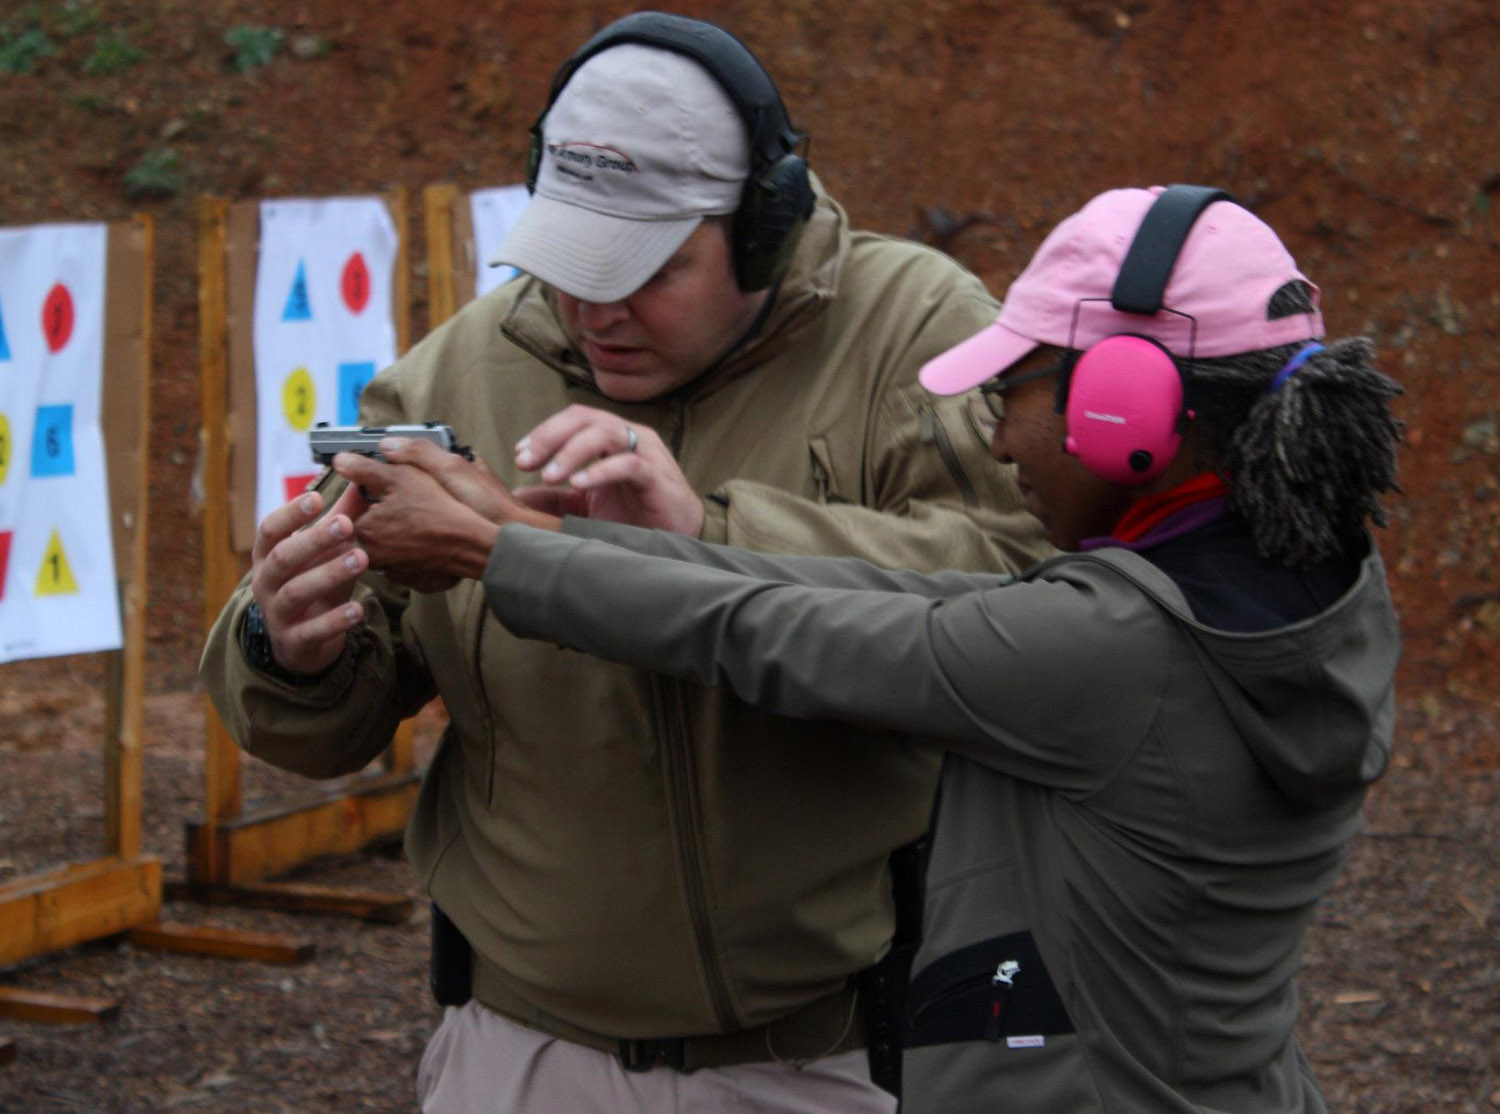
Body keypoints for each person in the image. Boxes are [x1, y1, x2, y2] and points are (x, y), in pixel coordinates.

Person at [327, 184, 1404, 1114]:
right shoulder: (1309, 589)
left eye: (1012, 393)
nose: (994, 437)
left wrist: (491, 550)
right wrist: (539, 534)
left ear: (1130, 407)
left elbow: (780, 633)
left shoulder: (1114, 648)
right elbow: (890, 600)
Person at [200, 11, 1048, 1113]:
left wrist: (713, 534)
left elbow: (1024, 597)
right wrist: (286, 646)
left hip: (834, 1057)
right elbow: (320, 716)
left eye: (646, 269)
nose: (596, 309)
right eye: (567, 262)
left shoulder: (914, 331)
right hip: (519, 1053)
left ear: (760, 226)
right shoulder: (455, 374)